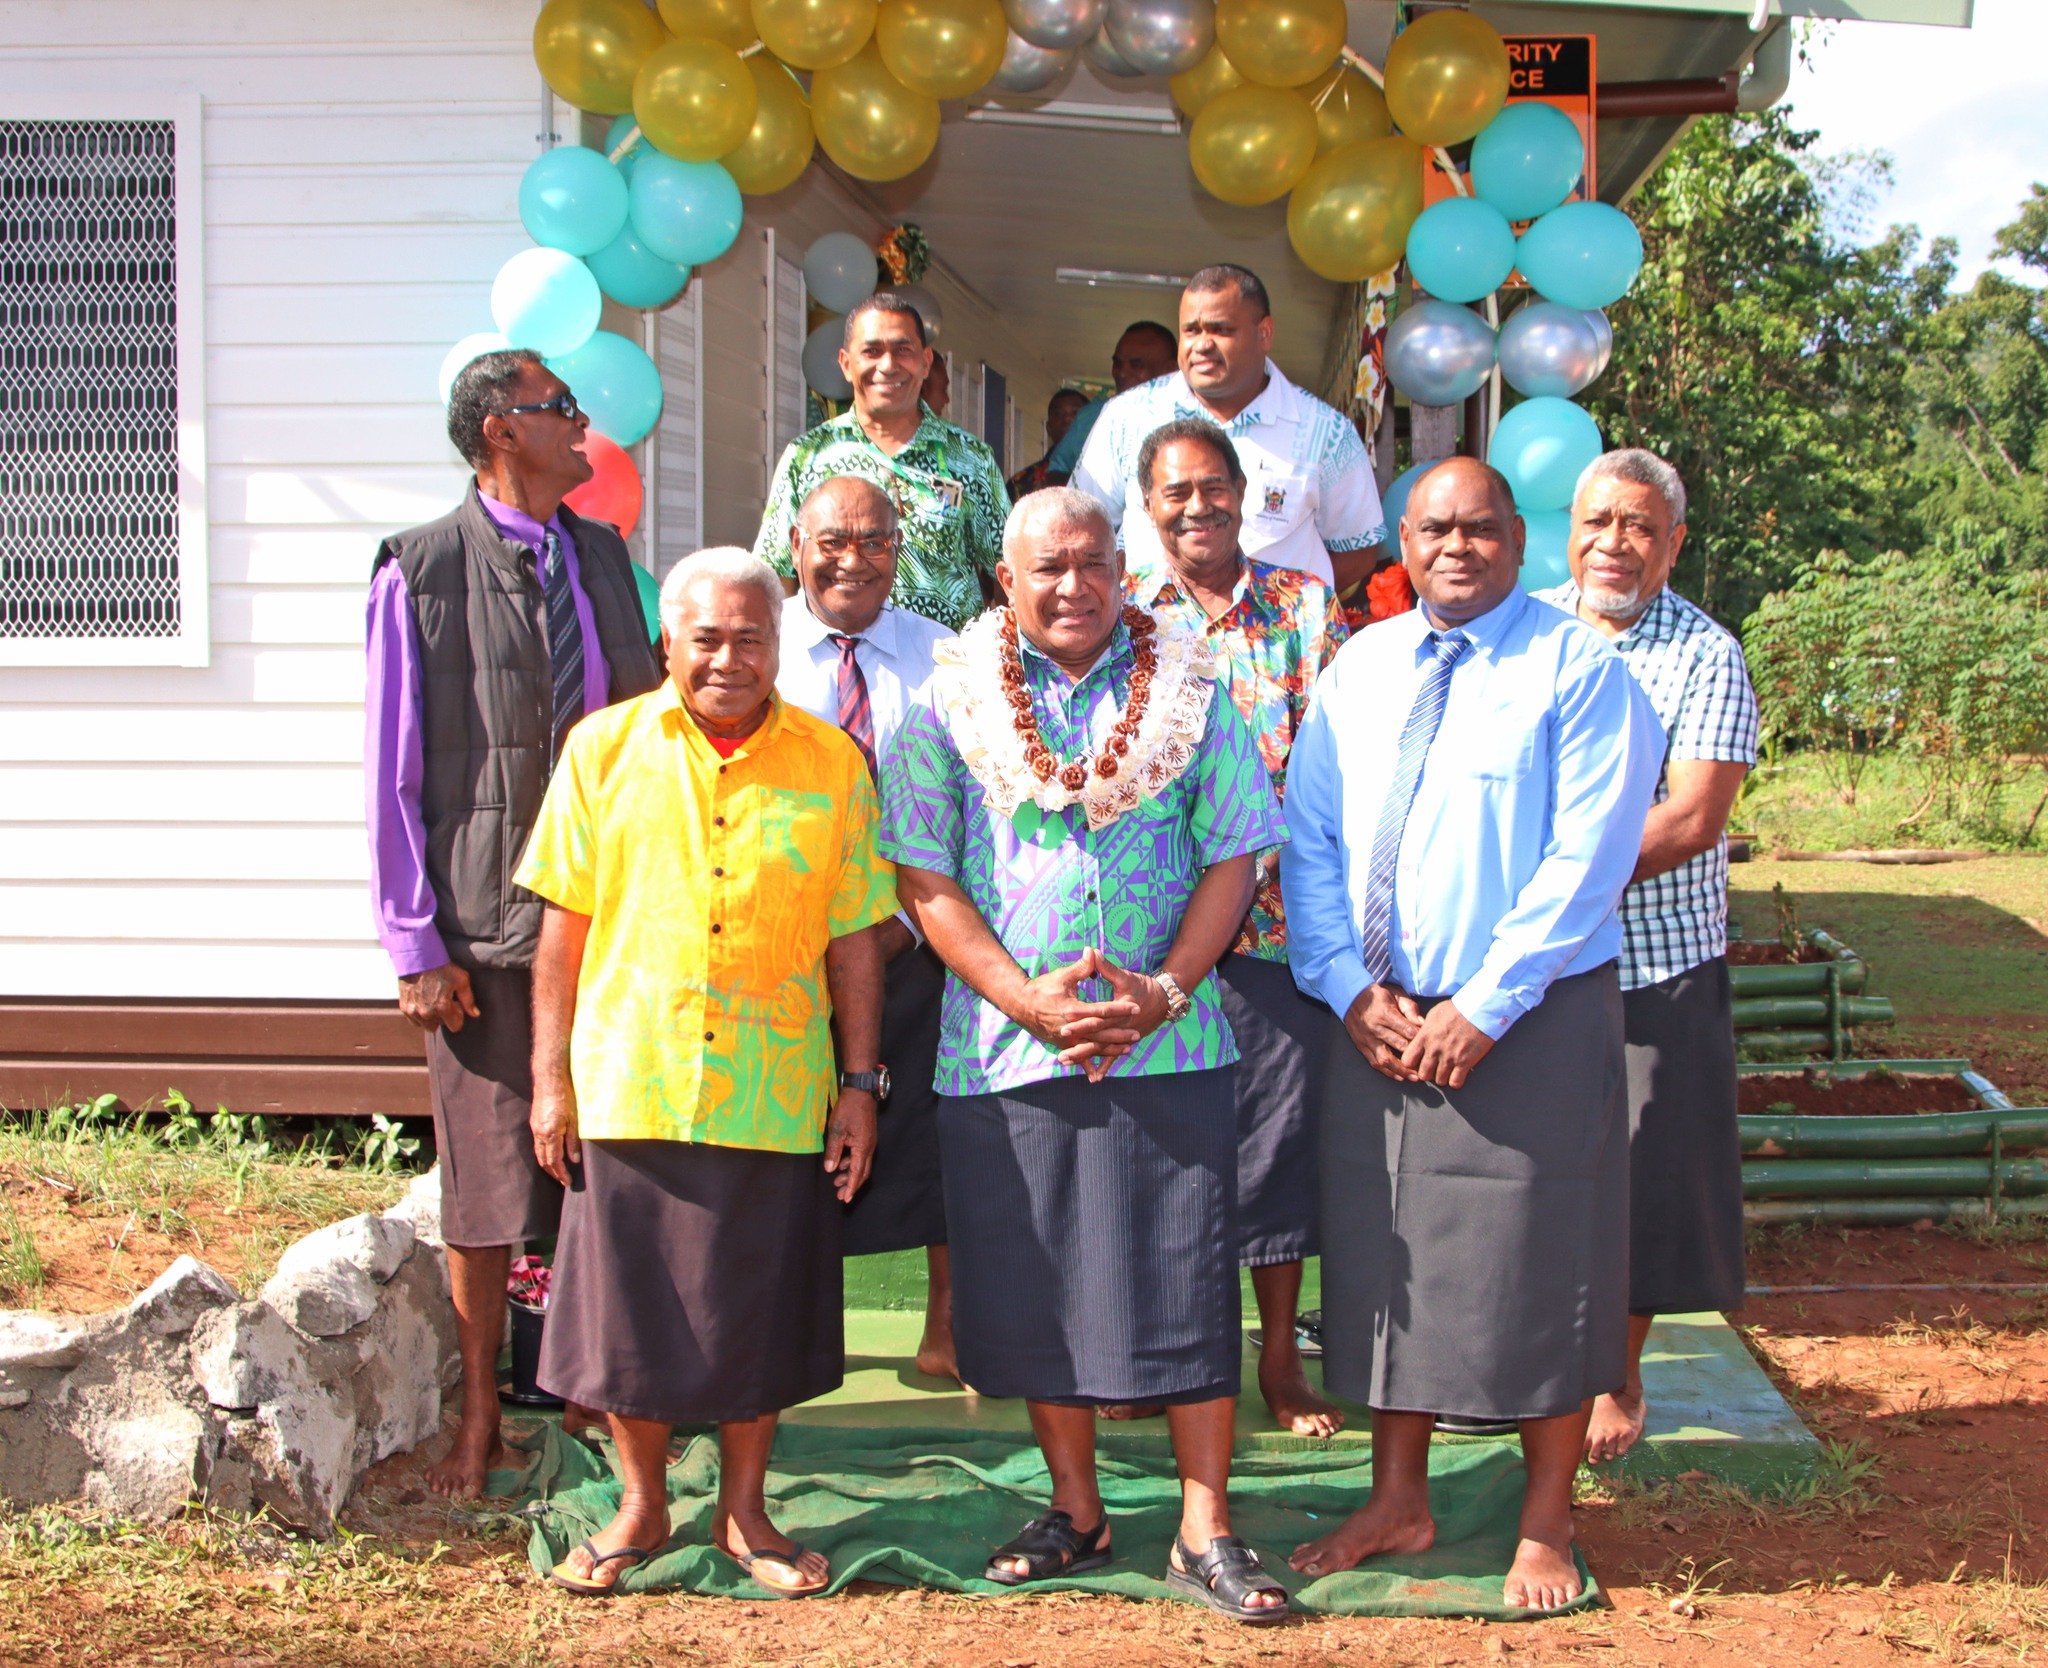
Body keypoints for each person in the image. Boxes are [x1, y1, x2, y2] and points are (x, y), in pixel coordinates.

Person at [879, 489, 1292, 1624]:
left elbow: (1235, 855)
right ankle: (1077, 1508)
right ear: (1003, 584)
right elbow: (924, 876)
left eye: (1092, 563)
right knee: (1037, 1284)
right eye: (1045, 568)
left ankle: (1204, 1529)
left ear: (1125, 570)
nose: (1072, 587)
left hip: (1173, 1042)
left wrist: (1160, 993)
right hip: (1005, 1053)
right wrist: (1024, 1000)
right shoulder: (942, 706)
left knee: (1186, 1280)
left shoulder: (1193, 689)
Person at [1280, 458, 1663, 1612]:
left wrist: (1483, 1007)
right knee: (1388, 1265)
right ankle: (1398, 1496)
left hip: (1526, 1020)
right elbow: (1308, 842)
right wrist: (1346, 987)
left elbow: (1586, 861)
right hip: (1381, 1023)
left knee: (1542, 1269)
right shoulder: (1362, 665)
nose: (1455, 547)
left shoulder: (1579, 671)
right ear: (1399, 538)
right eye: (1433, 529)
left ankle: (1543, 1520)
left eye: (1480, 529)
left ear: (1517, 539)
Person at [517, 548, 898, 1598]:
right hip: (630, 1077)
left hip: (771, 1086)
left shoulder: (830, 763)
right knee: (629, 1318)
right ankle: (641, 1506)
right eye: (708, 638)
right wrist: (550, 1081)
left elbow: (856, 937)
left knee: (753, 1313)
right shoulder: (601, 750)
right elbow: (563, 931)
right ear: (667, 644)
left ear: (780, 646)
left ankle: (745, 1511)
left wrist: (858, 1086)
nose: (730, 659)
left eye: (751, 638)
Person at [364, 348, 661, 1499]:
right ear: (500, 430)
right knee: (487, 1190)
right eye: (558, 408)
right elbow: (392, 769)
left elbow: (640, 725)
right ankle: (481, 1415)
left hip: (614, 917)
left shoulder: (597, 551)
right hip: (486, 930)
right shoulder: (420, 569)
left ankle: (594, 1387)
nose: (580, 423)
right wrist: (414, 942)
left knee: (603, 1167)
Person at [1122, 416, 1347, 1438]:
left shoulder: (1302, 608)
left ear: (1244, 492)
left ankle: (1274, 1363)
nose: (1197, 506)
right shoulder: (1118, 614)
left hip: (1271, 934)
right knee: (1162, 1151)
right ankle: (1159, 1356)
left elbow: (1335, 760)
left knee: (1273, 1152)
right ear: (1148, 503)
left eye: (1213, 486)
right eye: (1175, 491)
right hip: (1151, 933)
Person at [1536, 450, 1758, 1464]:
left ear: (1670, 546)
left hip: (1650, 960)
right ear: (1567, 529)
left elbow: (1692, 817)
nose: (1610, 545)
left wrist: (1549, 880)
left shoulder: (1704, 654)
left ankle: (1618, 1372)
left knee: (1645, 1175)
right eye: (1595, 522)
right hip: (1526, 962)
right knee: (1532, 1166)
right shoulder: (1523, 629)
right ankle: (1525, 1361)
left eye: (1636, 526)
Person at [776, 476, 961, 1381]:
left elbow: (971, 805)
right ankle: (799, 1336)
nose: (853, 559)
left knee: (930, 1131)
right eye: (832, 541)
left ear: (900, 549)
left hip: (918, 937)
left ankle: (946, 1333)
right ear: (798, 546)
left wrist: (905, 926)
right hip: (785, 949)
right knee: (793, 1140)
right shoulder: (753, 644)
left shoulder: (948, 658)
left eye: (876, 540)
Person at [1071, 265, 1386, 595]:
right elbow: (1079, 525)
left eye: (1220, 330)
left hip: (1275, 641)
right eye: (1191, 331)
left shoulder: (1326, 431)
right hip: (1149, 638)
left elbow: (1358, 550)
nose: (1202, 345)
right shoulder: (1126, 416)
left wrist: (1280, 606)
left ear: (1264, 333)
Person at [756, 293, 1009, 631]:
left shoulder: (969, 458)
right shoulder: (808, 456)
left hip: (942, 670)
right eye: (872, 351)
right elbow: (777, 573)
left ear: (925, 361)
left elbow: (1011, 574)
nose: (888, 365)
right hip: (839, 666)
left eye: (902, 350)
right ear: (846, 364)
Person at [1040, 319, 1180, 478]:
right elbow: (1057, 471)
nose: (1121, 373)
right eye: (1118, 363)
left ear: (1170, 369)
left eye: (1136, 364)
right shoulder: (1090, 417)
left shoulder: (1189, 415)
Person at [1007, 387, 1090, 497]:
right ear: (1048, 428)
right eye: (1058, 413)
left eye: (1075, 412)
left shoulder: (1109, 476)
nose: (1067, 418)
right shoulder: (1020, 483)